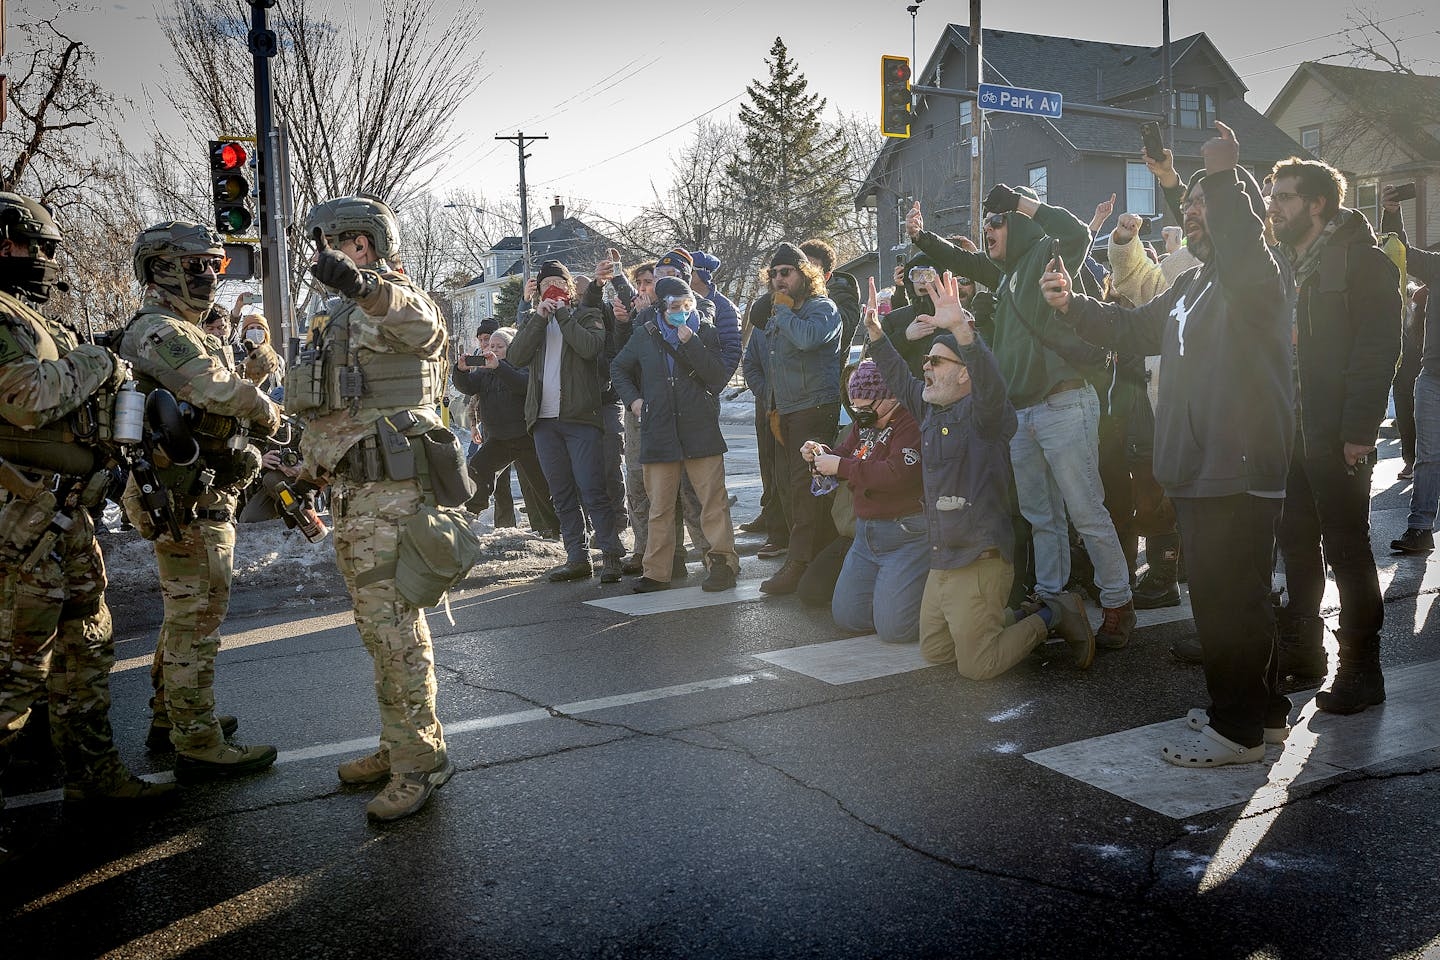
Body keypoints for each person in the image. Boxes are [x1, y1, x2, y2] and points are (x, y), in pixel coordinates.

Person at [1042, 120, 1295, 767]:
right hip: (1201, 468)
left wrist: (1217, 170)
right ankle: (1262, 715)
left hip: (1237, 466)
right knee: (1234, 599)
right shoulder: (1190, 286)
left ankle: (1234, 731)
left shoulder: (1254, 279)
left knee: (1228, 602)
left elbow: (1240, 235)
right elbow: (1126, 329)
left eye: (1206, 207)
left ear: (1238, 214)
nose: (1194, 216)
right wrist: (1071, 307)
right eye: (1189, 210)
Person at [0, 192, 174, 809]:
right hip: (20, 528)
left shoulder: (27, 316)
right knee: (17, 671)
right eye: (38, 247)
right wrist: (98, 358)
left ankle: (93, 775)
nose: (46, 260)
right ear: (5, 243)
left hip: (63, 516)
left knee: (86, 648)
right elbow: (26, 397)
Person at [908, 189, 1137, 650]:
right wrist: (922, 237)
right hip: (1023, 413)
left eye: (996, 222)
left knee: (1085, 509)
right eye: (985, 224)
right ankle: (1053, 602)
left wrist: (1021, 201)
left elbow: (1075, 231)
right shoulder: (1007, 273)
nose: (987, 230)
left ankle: (1117, 603)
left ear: (1020, 224)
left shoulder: (1045, 253)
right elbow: (967, 263)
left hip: (1064, 402)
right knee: (1040, 515)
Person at [292, 195, 456, 821]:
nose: (323, 254)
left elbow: (430, 331)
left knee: (396, 633)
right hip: (354, 498)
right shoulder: (333, 317)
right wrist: (305, 469)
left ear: (365, 243)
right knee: (376, 633)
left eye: (335, 241)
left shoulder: (392, 300)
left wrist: (366, 288)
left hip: (393, 498)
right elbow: (331, 411)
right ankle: (398, 744)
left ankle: (422, 762)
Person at [866, 273, 1096, 678]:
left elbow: (991, 384)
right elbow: (901, 381)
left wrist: (962, 332)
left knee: (978, 667)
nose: (927, 369)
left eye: (936, 362)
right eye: (926, 362)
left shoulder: (985, 417)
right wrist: (876, 336)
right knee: (936, 651)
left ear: (964, 373)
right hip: (943, 557)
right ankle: (1003, 617)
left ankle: (1051, 613)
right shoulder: (929, 412)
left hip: (979, 559)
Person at [119, 220, 282, 782]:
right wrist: (266, 409)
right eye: (196, 266)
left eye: (213, 266)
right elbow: (216, 389)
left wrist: (254, 377)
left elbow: (223, 386)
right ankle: (197, 737)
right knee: (197, 619)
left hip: (201, 489)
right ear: (161, 269)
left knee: (185, 614)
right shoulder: (159, 330)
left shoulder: (187, 329)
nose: (209, 277)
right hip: (182, 497)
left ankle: (171, 716)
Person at [1267, 157, 1400, 706]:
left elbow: (1378, 351)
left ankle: (1362, 670)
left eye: (1285, 196)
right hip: (1286, 434)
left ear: (1318, 203)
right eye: (1272, 195)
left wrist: (1358, 432)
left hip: (1335, 435)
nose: (1273, 206)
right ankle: (1305, 652)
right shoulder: (1280, 264)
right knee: (1296, 546)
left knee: (1347, 549)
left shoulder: (1361, 263)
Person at [611, 276, 739, 592]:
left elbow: (717, 375)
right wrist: (634, 400)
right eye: (675, 306)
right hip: (659, 430)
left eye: (687, 305)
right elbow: (618, 368)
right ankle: (657, 571)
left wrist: (691, 342)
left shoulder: (704, 331)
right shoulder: (644, 333)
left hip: (700, 429)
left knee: (713, 502)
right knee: (661, 506)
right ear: (662, 306)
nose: (682, 311)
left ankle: (722, 564)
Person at [508, 259, 627, 584]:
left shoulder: (585, 313)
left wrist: (561, 313)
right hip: (544, 422)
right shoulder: (536, 320)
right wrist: (538, 316)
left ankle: (611, 555)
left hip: (580, 418)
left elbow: (590, 348)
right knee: (560, 493)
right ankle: (577, 557)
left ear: (569, 287)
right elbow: (516, 357)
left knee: (592, 488)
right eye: (546, 286)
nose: (552, 290)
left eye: (558, 284)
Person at [803, 360, 927, 644]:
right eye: (856, 407)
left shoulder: (911, 422)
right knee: (849, 618)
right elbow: (843, 454)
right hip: (866, 534)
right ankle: (894, 598)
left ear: (891, 397)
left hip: (905, 534)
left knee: (896, 631)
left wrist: (841, 467)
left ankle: (928, 600)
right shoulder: (865, 424)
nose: (860, 414)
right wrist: (819, 454)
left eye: (866, 407)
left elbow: (897, 474)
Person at [756, 242, 844, 596]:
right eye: (774, 274)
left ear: (804, 274)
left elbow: (809, 340)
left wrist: (785, 313)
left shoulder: (821, 307)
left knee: (807, 490)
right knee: (793, 490)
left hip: (814, 409)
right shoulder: (781, 312)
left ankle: (800, 564)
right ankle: (811, 560)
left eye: (786, 272)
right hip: (788, 411)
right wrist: (772, 403)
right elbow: (770, 363)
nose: (779, 279)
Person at [453, 326, 560, 536]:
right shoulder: (485, 372)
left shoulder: (523, 365)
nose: (493, 349)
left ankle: (558, 528)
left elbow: (521, 384)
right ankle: (472, 512)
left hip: (526, 437)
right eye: (491, 345)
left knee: (542, 486)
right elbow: (468, 387)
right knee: (476, 468)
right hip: (498, 440)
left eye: (499, 346)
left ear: (511, 348)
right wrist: (460, 371)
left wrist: (499, 367)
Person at [1383, 187, 1440, 556]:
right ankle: (1420, 529)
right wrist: (1391, 212)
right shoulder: (1438, 266)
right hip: (1433, 377)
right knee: (1428, 454)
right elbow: (1400, 251)